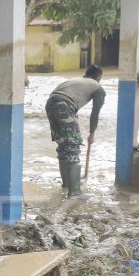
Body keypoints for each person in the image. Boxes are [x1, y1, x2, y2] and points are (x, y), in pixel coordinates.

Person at [45, 64, 106, 198]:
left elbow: (65, 101)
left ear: (86, 74)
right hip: (64, 105)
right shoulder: (98, 87)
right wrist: (92, 133)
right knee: (73, 145)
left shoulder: (77, 82)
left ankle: (67, 184)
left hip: (50, 103)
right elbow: (95, 114)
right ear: (99, 77)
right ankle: (75, 192)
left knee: (63, 144)